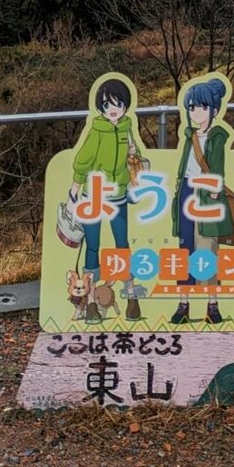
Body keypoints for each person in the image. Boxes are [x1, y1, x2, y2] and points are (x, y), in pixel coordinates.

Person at [68, 76, 148, 320]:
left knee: (122, 247)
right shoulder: (97, 130)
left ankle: (131, 298)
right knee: (93, 247)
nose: (113, 110)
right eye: (107, 105)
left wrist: (136, 158)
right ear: (100, 107)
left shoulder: (126, 129)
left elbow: (134, 154)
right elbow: (83, 159)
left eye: (118, 104)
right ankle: (90, 302)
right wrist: (75, 185)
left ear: (125, 106)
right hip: (94, 195)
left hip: (119, 196)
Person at [170, 76, 234, 325]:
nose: (196, 112)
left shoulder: (217, 138)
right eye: (192, 107)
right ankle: (183, 304)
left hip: (207, 195)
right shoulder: (189, 137)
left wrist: (214, 188)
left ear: (214, 110)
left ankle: (212, 305)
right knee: (185, 250)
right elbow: (183, 167)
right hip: (186, 191)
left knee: (208, 251)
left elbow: (217, 169)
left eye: (202, 107)